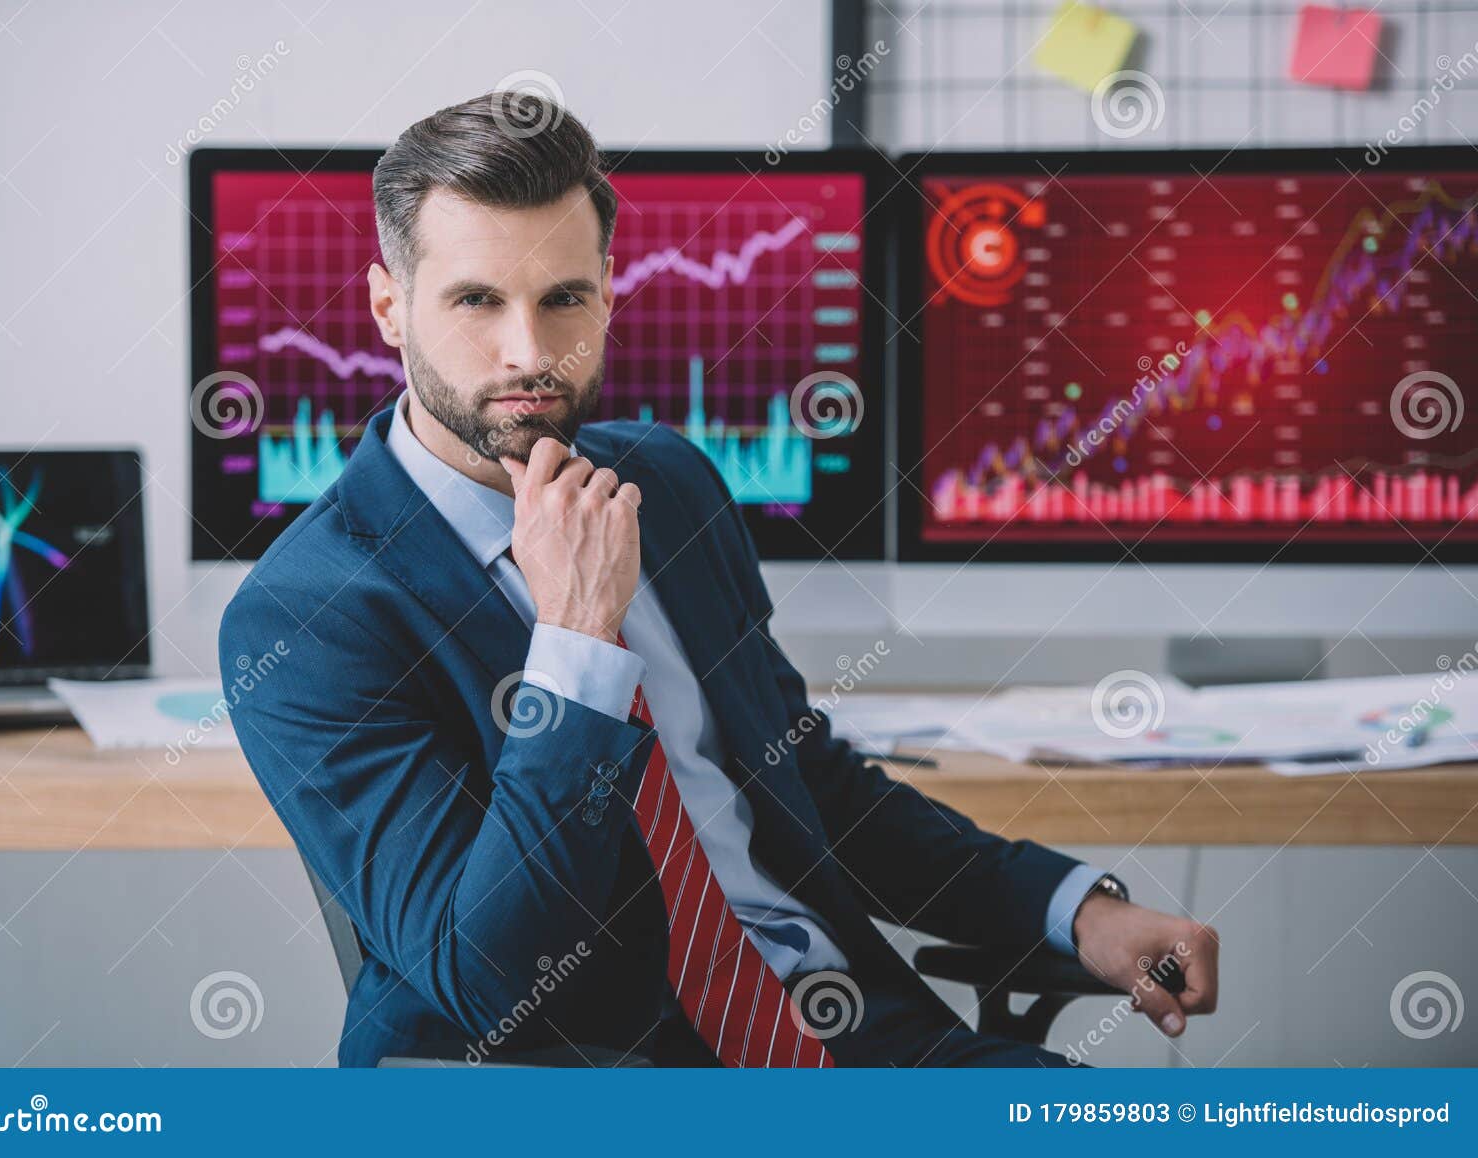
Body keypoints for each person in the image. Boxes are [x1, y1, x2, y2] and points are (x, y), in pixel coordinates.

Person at [219, 92, 1219, 1067]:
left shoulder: (667, 481)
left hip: (856, 1042)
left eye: (564, 297)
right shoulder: (307, 618)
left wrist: (1076, 910)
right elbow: (489, 977)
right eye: (477, 300)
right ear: (389, 307)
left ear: (608, 292)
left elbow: (807, 783)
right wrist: (574, 642)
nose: (529, 352)